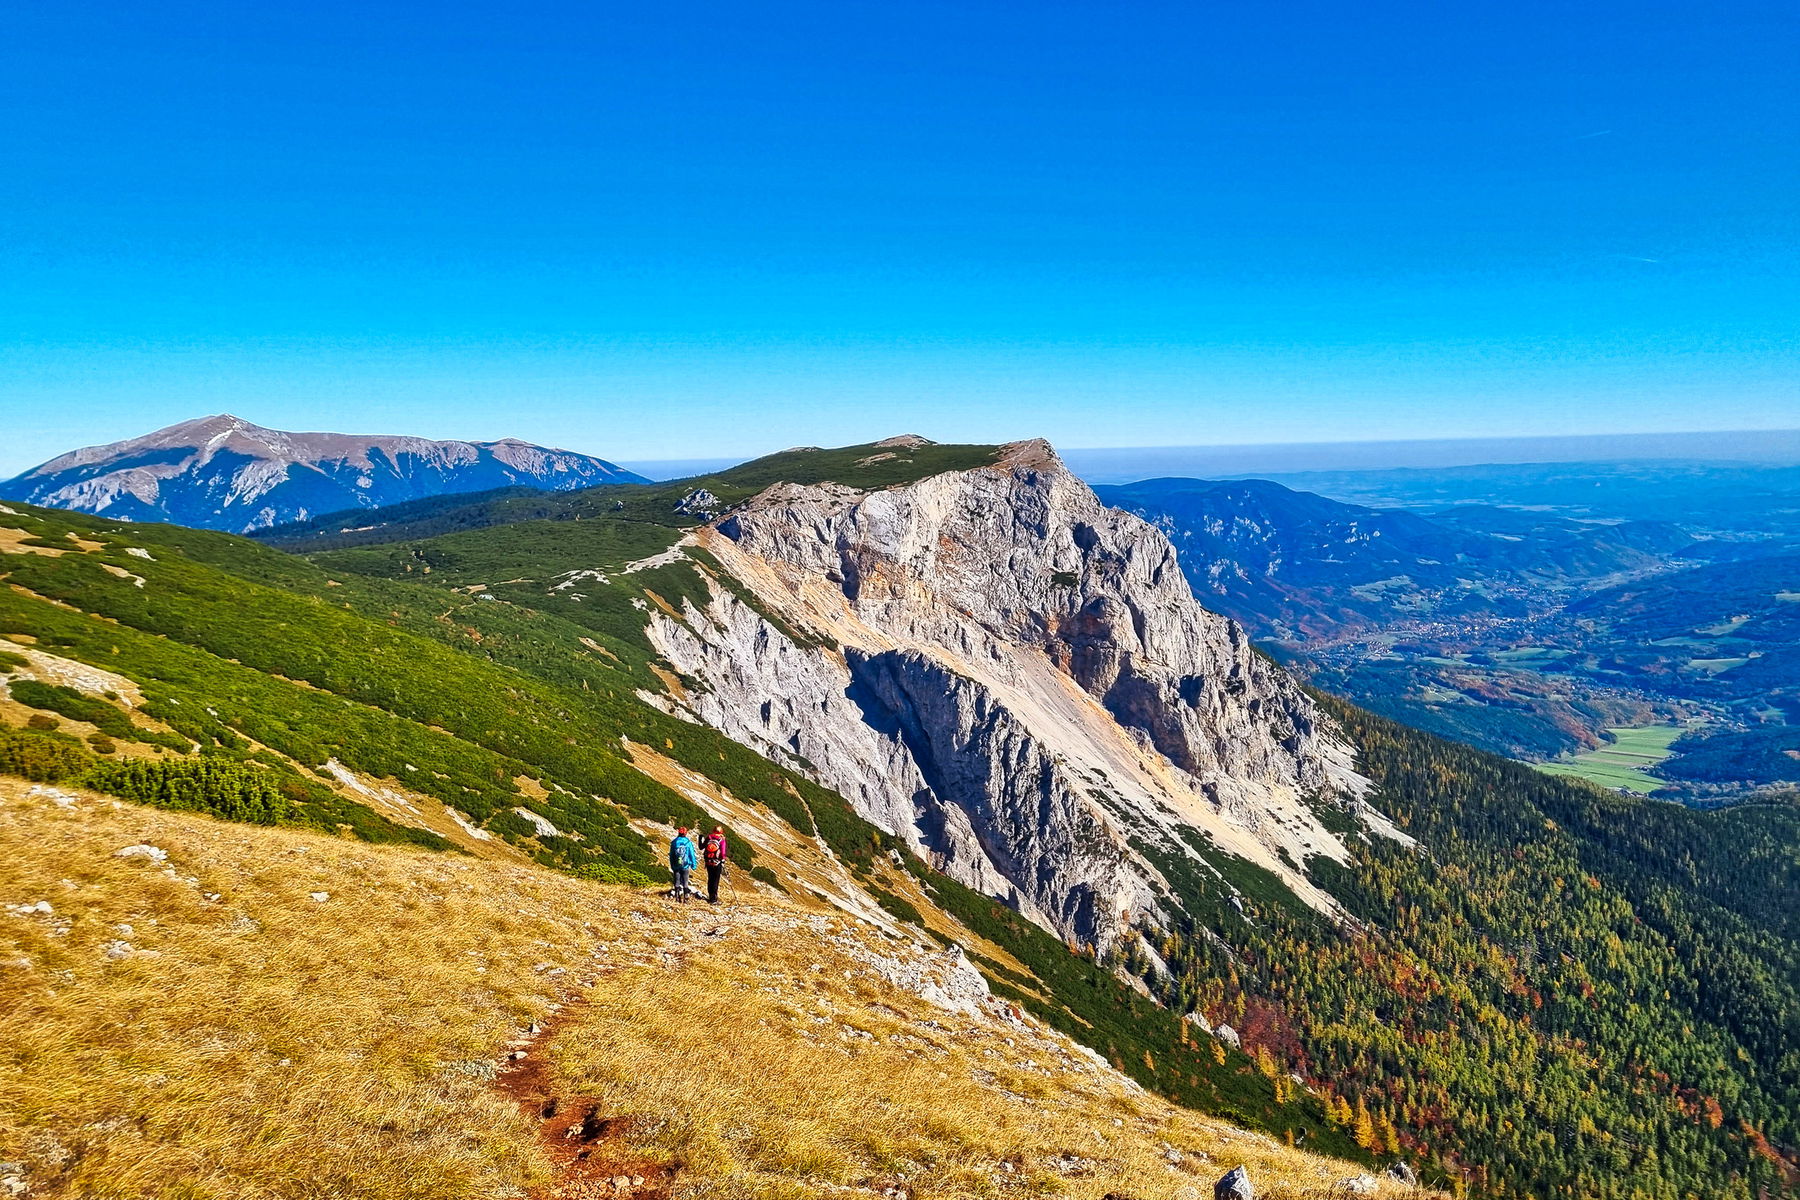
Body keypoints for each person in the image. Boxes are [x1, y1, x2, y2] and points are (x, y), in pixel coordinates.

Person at [668, 827, 698, 902]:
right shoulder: (688, 842)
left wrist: (672, 865)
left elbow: (671, 855)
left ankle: (677, 898)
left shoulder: (674, 842)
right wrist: (693, 865)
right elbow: (691, 854)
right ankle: (686, 898)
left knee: (677, 881)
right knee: (685, 881)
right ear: (685, 833)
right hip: (685, 865)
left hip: (676, 865)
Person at [702, 825, 729, 904]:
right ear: (721, 832)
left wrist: (700, 839)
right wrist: (722, 859)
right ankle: (714, 899)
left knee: (710, 879)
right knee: (715, 880)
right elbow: (723, 852)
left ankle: (710, 896)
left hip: (708, 862)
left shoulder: (709, 837)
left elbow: (702, 846)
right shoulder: (722, 840)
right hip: (717, 862)